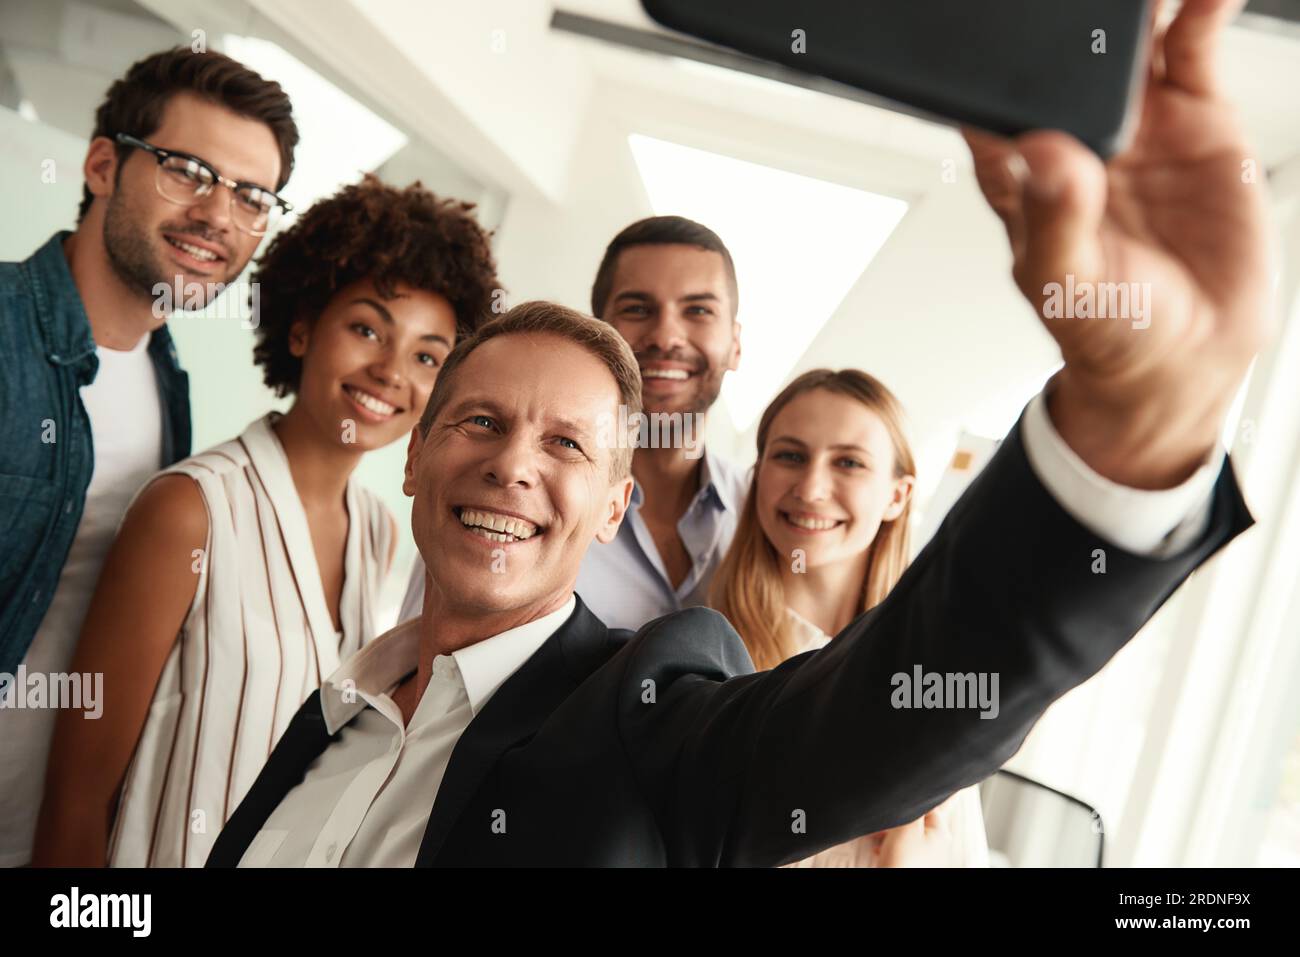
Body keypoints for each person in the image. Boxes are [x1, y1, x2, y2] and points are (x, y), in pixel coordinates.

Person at [206, 0, 1267, 867]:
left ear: (613, 502)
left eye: (569, 445)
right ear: (416, 453)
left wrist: (1136, 419)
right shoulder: (335, 704)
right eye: (478, 421)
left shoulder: (647, 714)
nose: (512, 463)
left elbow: (886, 708)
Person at [31, 175, 501, 867]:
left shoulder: (378, 529)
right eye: (366, 327)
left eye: (428, 356)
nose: (390, 371)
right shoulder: (190, 510)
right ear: (303, 326)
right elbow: (74, 803)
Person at [0, 46, 298, 868]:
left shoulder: (169, 383)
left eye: (250, 196)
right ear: (103, 165)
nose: (218, 215)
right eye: (187, 170)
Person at [398, 215, 747, 630]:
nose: (666, 336)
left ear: (735, 345)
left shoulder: (766, 511)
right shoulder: (498, 509)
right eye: (638, 308)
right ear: (600, 334)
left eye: (698, 310)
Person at [712, 369, 988, 867]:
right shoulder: (704, 662)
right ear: (758, 479)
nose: (812, 488)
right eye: (790, 456)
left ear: (897, 496)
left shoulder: (932, 674)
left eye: (849, 462)